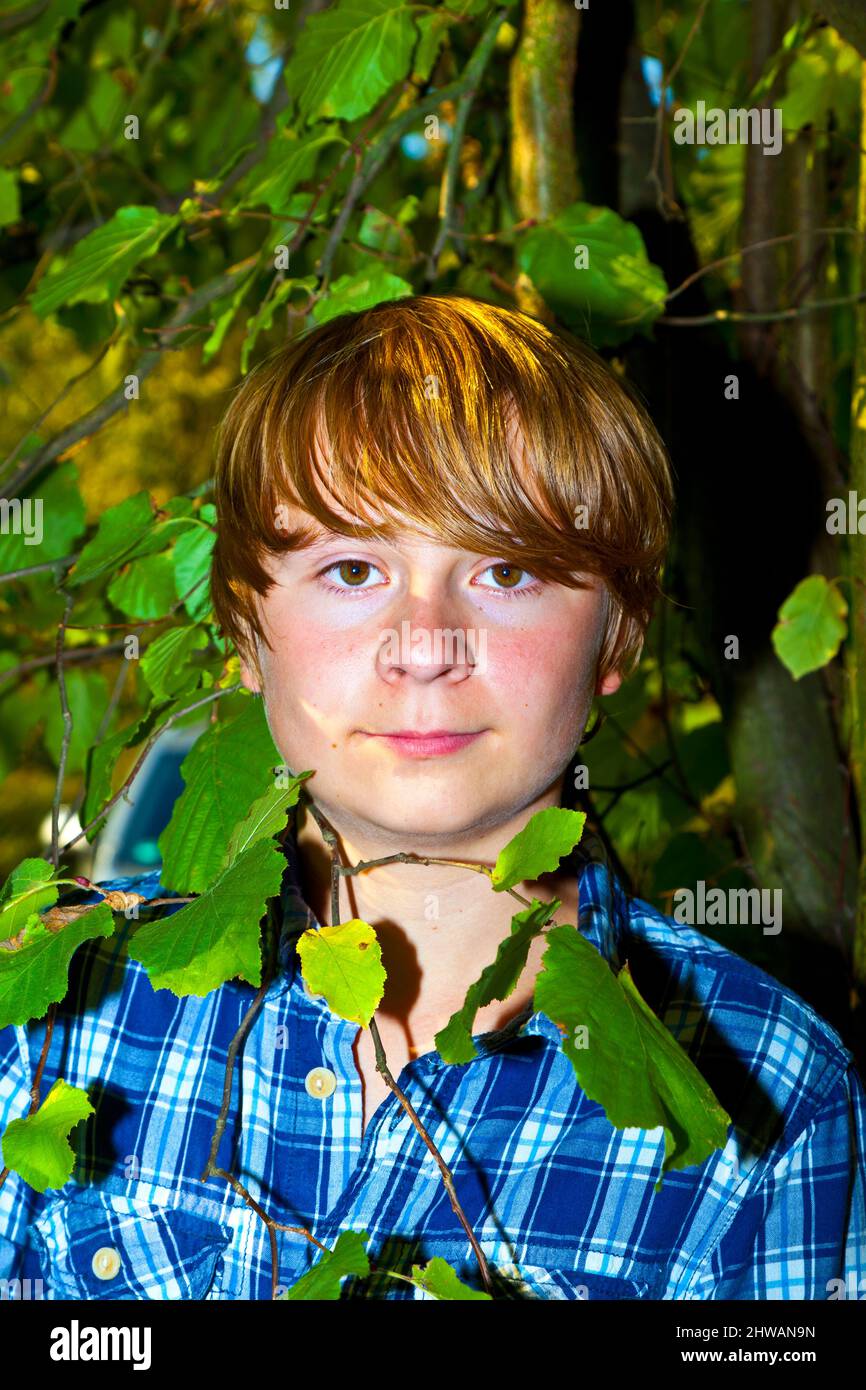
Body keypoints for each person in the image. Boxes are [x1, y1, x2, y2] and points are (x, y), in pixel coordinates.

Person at [1, 295, 863, 1301]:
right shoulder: (57, 1013)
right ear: (244, 626)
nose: (423, 645)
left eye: (505, 571)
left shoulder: (768, 1095)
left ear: (615, 638)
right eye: (353, 567)